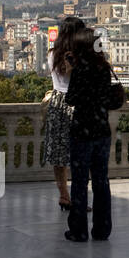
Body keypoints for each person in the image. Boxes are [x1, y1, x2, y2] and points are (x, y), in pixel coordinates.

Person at [61, 27, 114, 243]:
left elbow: (71, 99)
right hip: (102, 129)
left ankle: (78, 230)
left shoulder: (80, 69)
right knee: (101, 181)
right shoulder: (103, 67)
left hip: (82, 130)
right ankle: (102, 229)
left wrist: (71, 70)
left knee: (80, 182)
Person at [45, 16, 88, 209]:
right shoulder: (79, 56)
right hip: (76, 102)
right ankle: (78, 198)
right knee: (80, 153)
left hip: (57, 103)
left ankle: (64, 195)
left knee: (59, 153)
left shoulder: (52, 54)